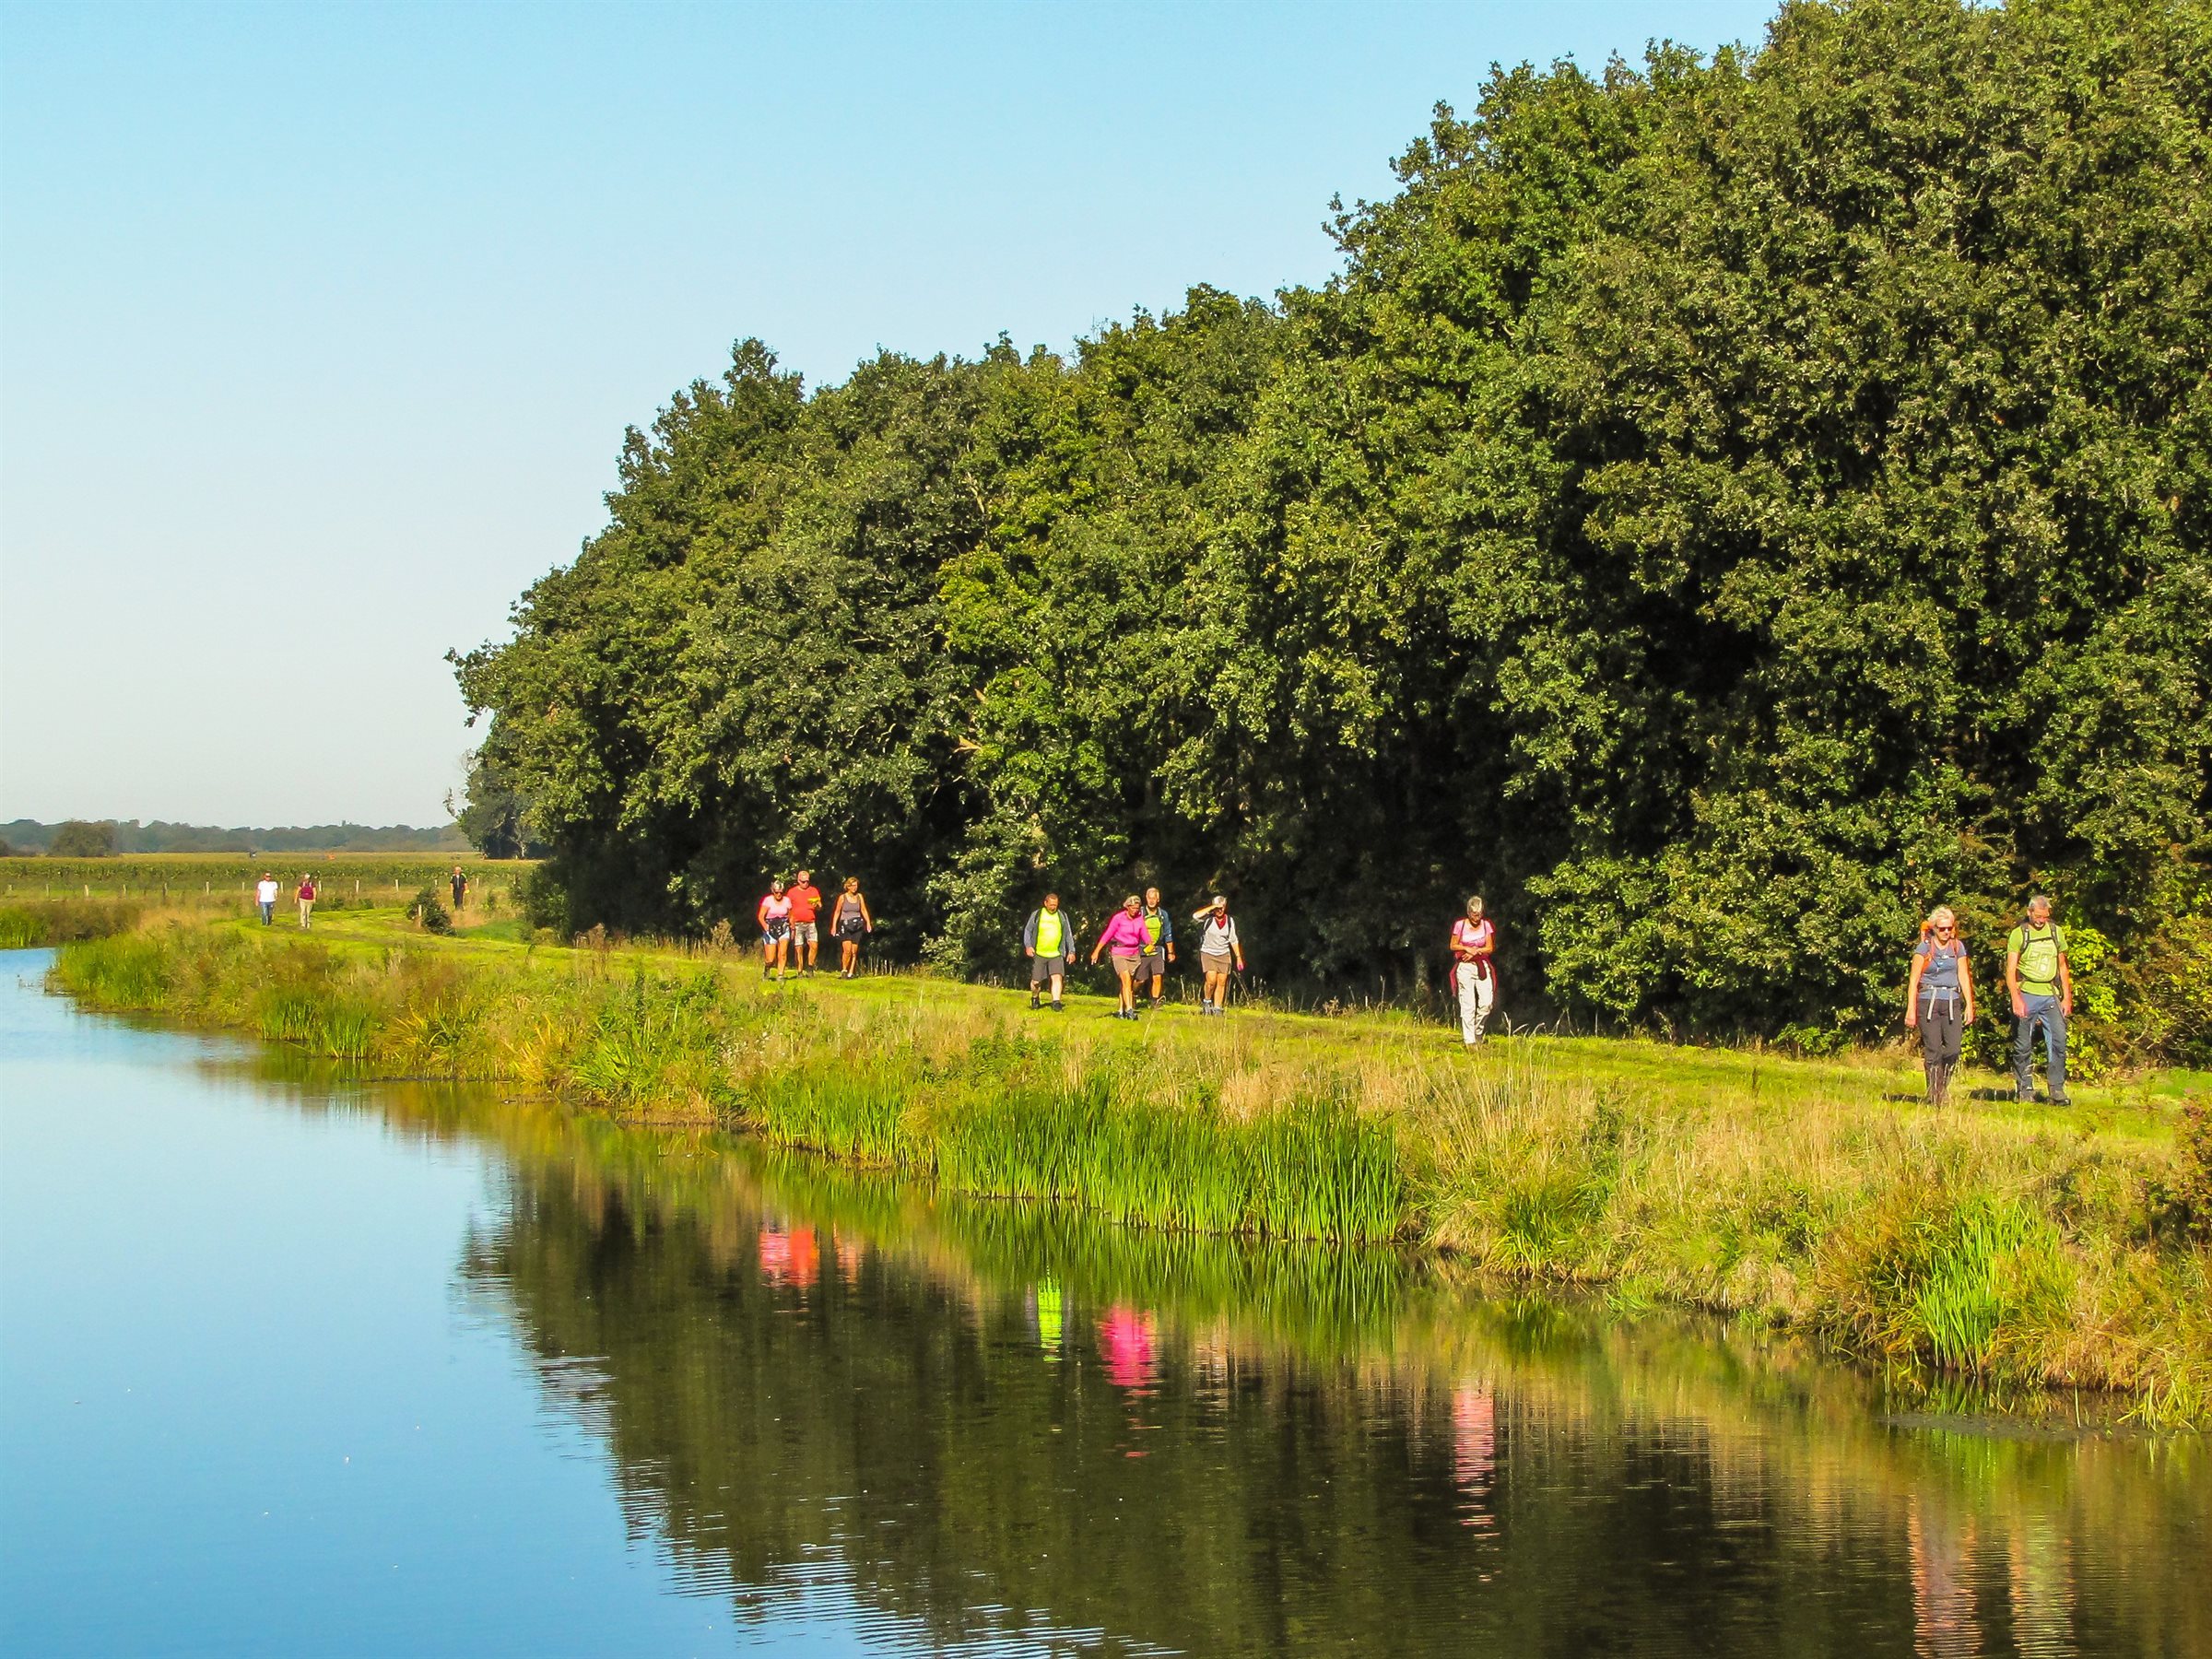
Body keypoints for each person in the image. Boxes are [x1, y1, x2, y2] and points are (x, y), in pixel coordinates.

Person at [2006, 896, 2074, 1105]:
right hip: (2026, 992)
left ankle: (2056, 1090)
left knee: (2059, 1041)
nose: (2041, 920)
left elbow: (2062, 966)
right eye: (2037, 916)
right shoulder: (2019, 934)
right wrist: (2016, 998)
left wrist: (2067, 996)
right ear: (2029, 912)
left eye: (2045, 917)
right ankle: (2024, 1089)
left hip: (2050, 994)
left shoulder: (2056, 932)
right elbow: (2010, 970)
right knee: (2023, 1044)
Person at [1905, 906, 1974, 1105]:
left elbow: (1963, 975)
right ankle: (1935, 1094)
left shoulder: (1957, 947)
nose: (1947, 932)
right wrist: (1911, 1009)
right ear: (1934, 928)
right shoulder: (1924, 948)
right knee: (1933, 1049)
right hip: (1928, 1001)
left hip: (1951, 1000)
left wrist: (1969, 1005)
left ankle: (1941, 1086)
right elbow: (1914, 980)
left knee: (1953, 1048)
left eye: (1950, 928)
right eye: (1943, 929)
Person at [1089, 895, 1148, 1019]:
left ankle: (1121, 1010)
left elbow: (1145, 935)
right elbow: (1107, 935)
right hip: (1119, 952)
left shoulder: (1139, 919)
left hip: (1134, 953)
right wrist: (1096, 951)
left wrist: (1151, 945)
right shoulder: (1118, 918)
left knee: (1127, 984)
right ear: (1127, 907)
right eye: (1133, 908)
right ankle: (1130, 1010)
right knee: (1126, 980)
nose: (1136, 910)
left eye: (1137, 908)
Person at [1449, 896, 1497, 1047]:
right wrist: (1466, 948)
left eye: (1480, 914)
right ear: (1468, 912)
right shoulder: (1460, 925)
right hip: (1465, 967)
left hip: (1481, 964)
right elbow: (1453, 945)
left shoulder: (1486, 925)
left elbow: (1489, 947)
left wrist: (1476, 951)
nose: (1477, 918)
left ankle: (1478, 1032)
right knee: (1468, 1004)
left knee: (1486, 1003)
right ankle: (1469, 1041)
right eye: (1474, 914)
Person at [1189, 895, 1244, 1015]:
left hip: (1224, 953)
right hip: (1208, 952)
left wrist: (1238, 957)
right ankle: (1207, 1001)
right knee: (1211, 980)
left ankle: (1218, 1007)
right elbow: (1195, 916)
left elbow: (1233, 940)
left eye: (1222, 907)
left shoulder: (1229, 921)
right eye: (1218, 907)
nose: (1220, 910)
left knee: (1222, 981)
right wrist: (1213, 906)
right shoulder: (1207, 919)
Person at [1023, 892, 1077, 1010]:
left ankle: (1056, 1002)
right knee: (1036, 982)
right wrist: (1028, 946)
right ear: (1045, 903)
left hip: (1056, 953)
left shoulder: (1062, 916)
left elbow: (1068, 934)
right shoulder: (1037, 915)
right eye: (1051, 905)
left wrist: (1071, 951)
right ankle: (1035, 997)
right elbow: (1028, 931)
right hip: (1039, 953)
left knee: (1057, 977)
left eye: (1055, 905)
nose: (1053, 907)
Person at [1134, 886, 1176, 1008]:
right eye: (1149, 898)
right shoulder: (1140, 913)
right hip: (1142, 948)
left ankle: (1155, 1002)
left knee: (1157, 975)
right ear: (1146, 898)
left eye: (1154, 898)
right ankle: (1133, 994)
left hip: (1157, 949)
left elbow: (1168, 933)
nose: (1152, 901)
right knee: (1140, 979)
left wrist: (1170, 952)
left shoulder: (1163, 915)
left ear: (1158, 899)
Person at [830, 877, 873, 979]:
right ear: (848, 886)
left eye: (856, 885)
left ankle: (851, 972)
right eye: (852, 885)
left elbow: (863, 909)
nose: (855, 888)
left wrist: (868, 923)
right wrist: (834, 926)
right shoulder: (842, 897)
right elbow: (837, 912)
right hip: (845, 925)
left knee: (854, 950)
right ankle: (844, 970)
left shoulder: (859, 897)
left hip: (857, 925)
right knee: (847, 950)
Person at [786, 869, 823, 976]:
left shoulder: (813, 890)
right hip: (797, 923)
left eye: (807, 881)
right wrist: (791, 922)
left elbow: (819, 905)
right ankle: (799, 971)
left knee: (814, 945)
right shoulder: (792, 892)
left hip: (810, 922)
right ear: (798, 881)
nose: (805, 883)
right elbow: (788, 909)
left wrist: (818, 906)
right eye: (803, 881)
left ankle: (810, 967)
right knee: (799, 947)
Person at [757, 878, 794, 982]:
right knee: (771, 958)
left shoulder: (787, 901)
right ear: (773, 891)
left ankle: (780, 974)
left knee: (782, 953)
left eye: (780, 892)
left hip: (783, 927)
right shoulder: (768, 900)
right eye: (776, 892)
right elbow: (760, 916)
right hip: (770, 928)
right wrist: (765, 927)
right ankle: (767, 968)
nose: (779, 894)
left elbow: (791, 916)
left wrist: (793, 929)